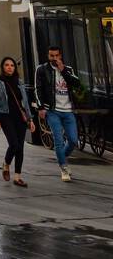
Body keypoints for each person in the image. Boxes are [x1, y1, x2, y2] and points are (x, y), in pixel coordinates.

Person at [35, 45, 82, 181]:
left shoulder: (68, 69)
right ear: (48, 56)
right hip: (52, 110)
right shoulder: (42, 69)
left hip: (68, 110)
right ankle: (63, 167)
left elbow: (77, 84)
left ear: (60, 56)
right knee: (58, 140)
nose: (54, 58)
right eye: (51, 55)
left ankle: (62, 155)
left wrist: (63, 71)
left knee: (73, 140)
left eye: (56, 55)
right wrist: (41, 107)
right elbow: (38, 89)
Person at [0, 57, 35, 187]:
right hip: (5, 116)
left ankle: (17, 177)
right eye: (7, 65)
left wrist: (30, 119)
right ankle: (6, 163)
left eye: (12, 65)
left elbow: (25, 102)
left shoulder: (19, 82)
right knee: (14, 144)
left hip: (20, 118)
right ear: (2, 67)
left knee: (20, 147)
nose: (9, 67)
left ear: (15, 68)